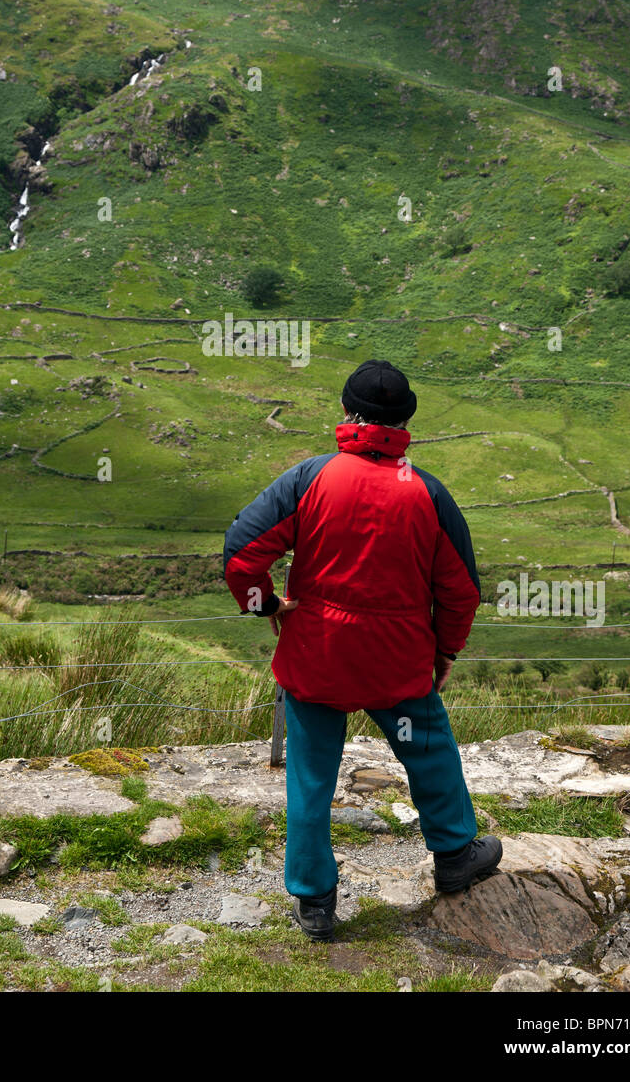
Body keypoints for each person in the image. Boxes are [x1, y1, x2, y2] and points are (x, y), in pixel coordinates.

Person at [223, 359, 502, 942]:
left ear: (347, 413)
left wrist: (264, 606)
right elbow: (461, 590)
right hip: (396, 663)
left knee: (310, 778)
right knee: (427, 755)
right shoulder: (428, 493)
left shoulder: (310, 478)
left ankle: (315, 902)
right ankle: (454, 858)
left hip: (317, 658)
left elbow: (242, 551)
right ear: (404, 422)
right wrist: (446, 651)